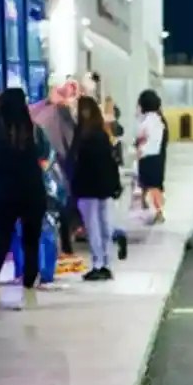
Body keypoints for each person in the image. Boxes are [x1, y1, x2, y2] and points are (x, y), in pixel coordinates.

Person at [0, 89, 50, 310]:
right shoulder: (34, 130)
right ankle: (29, 296)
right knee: (31, 243)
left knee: (0, 242)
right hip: (33, 191)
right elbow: (44, 155)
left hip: (4, 193)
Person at [71, 96, 123, 280]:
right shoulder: (102, 134)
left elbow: (76, 163)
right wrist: (115, 185)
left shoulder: (81, 135)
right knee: (104, 226)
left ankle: (97, 263)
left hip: (87, 188)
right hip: (104, 188)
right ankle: (106, 263)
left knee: (93, 227)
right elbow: (111, 162)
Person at [31, 79, 79, 253]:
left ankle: (60, 242)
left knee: (57, 203)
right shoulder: (55, 111)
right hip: (52, 163)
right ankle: (62, 243)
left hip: (49, 163)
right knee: (60, 202)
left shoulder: (38, 111)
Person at [135, 89, 169, 223]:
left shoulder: (150, 120)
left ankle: (158, 212)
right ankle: (150, 206)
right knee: (153, 184)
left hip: (149, 156)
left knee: (153, 185)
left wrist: (140, 147)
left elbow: (142, 136)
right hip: (157, 156)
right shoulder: (159, 119)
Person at [102, 96, 129, 259]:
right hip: (113, 174)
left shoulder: (104, 131)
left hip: (105, 176)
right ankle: (117, 234)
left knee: (104, 217)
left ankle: (115, 236)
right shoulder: (116, 131)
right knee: (109, 213)